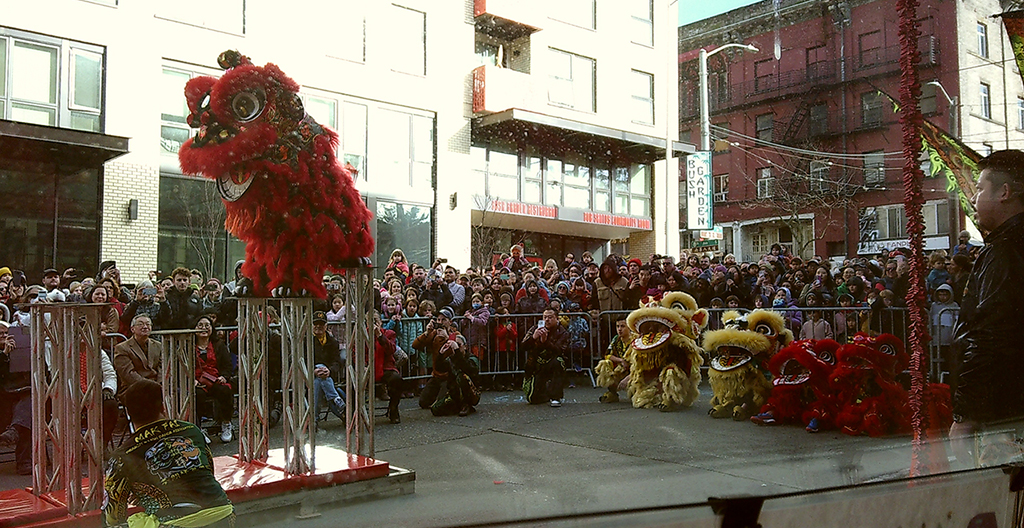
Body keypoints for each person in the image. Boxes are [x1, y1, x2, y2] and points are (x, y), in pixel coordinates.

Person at [951, 150, 1024, 465]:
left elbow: (992, 334)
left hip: (1005, 411)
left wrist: (966, 413)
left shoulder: (1005, 252)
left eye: (980, 189)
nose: (973, 197)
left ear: (1004, 193)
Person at [103, 379, 234, 528]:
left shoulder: (123, 455)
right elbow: (207, 472)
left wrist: (146, 499)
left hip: (174, 524)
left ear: (128, 413)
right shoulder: (191, 430)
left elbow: (113, 515)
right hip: (224, 515)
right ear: (163, 406)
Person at [193, 316, 235, 443]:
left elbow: (227, 364)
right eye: (200, 325)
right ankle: (198, 428)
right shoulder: (189, 346)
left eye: (207, 325)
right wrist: (191, 379)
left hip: (215, 379)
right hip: (197, 381)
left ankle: (226, 423)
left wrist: (224, 376)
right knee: (197, 395)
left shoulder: (219, 345)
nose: (204, 328)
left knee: (225, 391)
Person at [521, 308, 570, 407]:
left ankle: (556, 397)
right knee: (533, 399)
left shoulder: (562, 332)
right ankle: (544, 392)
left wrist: (545, 342)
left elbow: (560, 350)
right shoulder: (535, 328)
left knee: (558, 362)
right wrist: (533, 338)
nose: (547, 320)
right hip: (536, 363)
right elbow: (523, 347)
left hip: (553, 362)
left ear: (557, 319)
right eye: (545, 317)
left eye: (550, 317)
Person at [113, 314, 162, 397]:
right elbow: (128, 374)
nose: (145, 327)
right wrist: (151, 386)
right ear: (132, 329)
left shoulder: (158, 345)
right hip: (133, 388)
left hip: (158, 387)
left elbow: (163, 369)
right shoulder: (122, 348)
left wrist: (160, 385)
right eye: (140, 324)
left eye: (148, 324)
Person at [311, 310, 345, 421]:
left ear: (326, 326)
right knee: (318, 372)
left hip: (328, 376)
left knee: (318, 382)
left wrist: (329, 371)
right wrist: (314, 371)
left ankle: (314, 418)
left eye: (321, 324)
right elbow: (303, 361)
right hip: (309, 377)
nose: (318, 326)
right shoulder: (306, 341)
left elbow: (337, 362)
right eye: (316, 324)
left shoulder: (332, 342)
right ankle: (336, 398)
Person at [371, 312, 403, 423]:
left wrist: (380, 336)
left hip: (385, 367)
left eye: (375, 321)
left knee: (396, 379)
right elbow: (355, 353)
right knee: (351, 382)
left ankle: (394, 409)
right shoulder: (361, 335)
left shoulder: (389, 334)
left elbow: (391, 350)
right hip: (367, 368)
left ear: (380, 322)